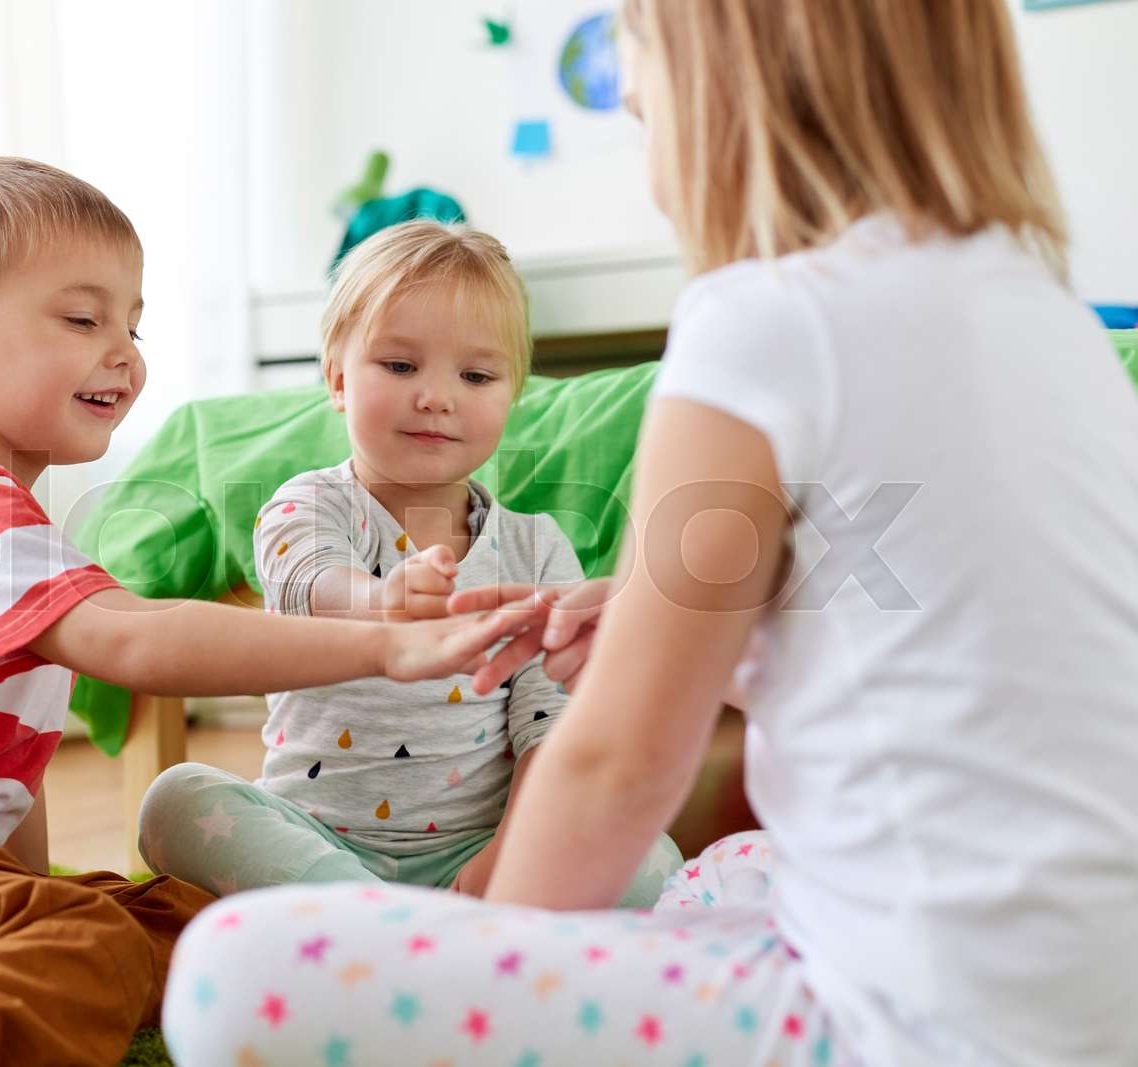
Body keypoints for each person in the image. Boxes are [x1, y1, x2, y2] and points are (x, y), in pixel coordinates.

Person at [160, 2, 1138, 1063]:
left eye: (642, 96)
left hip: (917, 1024)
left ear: (722, 80)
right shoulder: (1045, 316)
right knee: (724, 867)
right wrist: (642, 615)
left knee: (228, 976)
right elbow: (896, 639)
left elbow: (616, 763)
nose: (640, 117)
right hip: (1092, 991)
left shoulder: (764, 317)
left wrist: (479, 965)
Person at [0, 157, 536, 1067]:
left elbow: (9, 771)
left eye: (134, 323)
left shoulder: (14, 524)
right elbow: (138, 637)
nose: (125, 351)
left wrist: (30, 892)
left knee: (205, 923)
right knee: (83, 944)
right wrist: (379, 646)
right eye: (84, 319)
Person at [136, 220, 680, 903]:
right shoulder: (307, 504)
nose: (437, 396)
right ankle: (393, 921)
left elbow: (550, 720)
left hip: (480, 852)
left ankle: (390, 930)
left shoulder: (537, 545)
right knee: (175, 802)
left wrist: (511, 852)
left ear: (510, 395)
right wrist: (380, 604)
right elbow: (305, 581)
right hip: (316, 842)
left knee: (651, 857)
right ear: (337, 379)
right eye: (399, 366)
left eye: (476, 375)